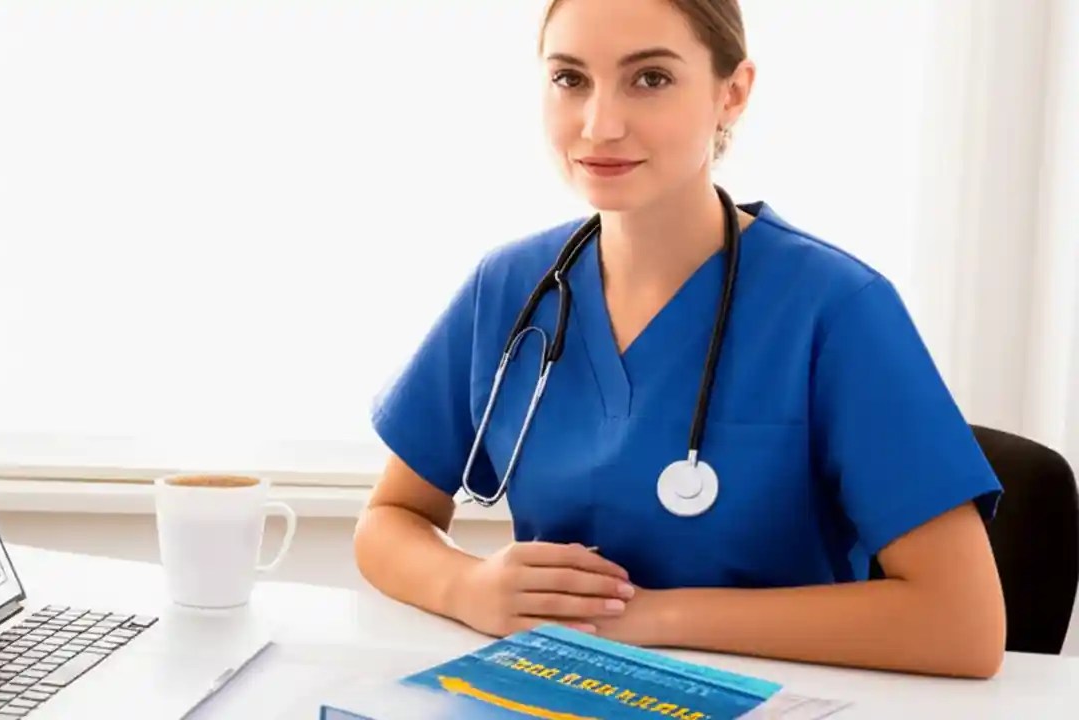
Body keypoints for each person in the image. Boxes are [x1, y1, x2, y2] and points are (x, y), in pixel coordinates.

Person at [353, 0, 1006, 680]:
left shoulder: (836, 308)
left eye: (651, 79)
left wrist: (650, 617)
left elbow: (963, 625)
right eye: (570, 79)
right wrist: (468, 587)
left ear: (733, 92)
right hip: (559, 688)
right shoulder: (512, 286)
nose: (599, 125)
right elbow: (389, 520)